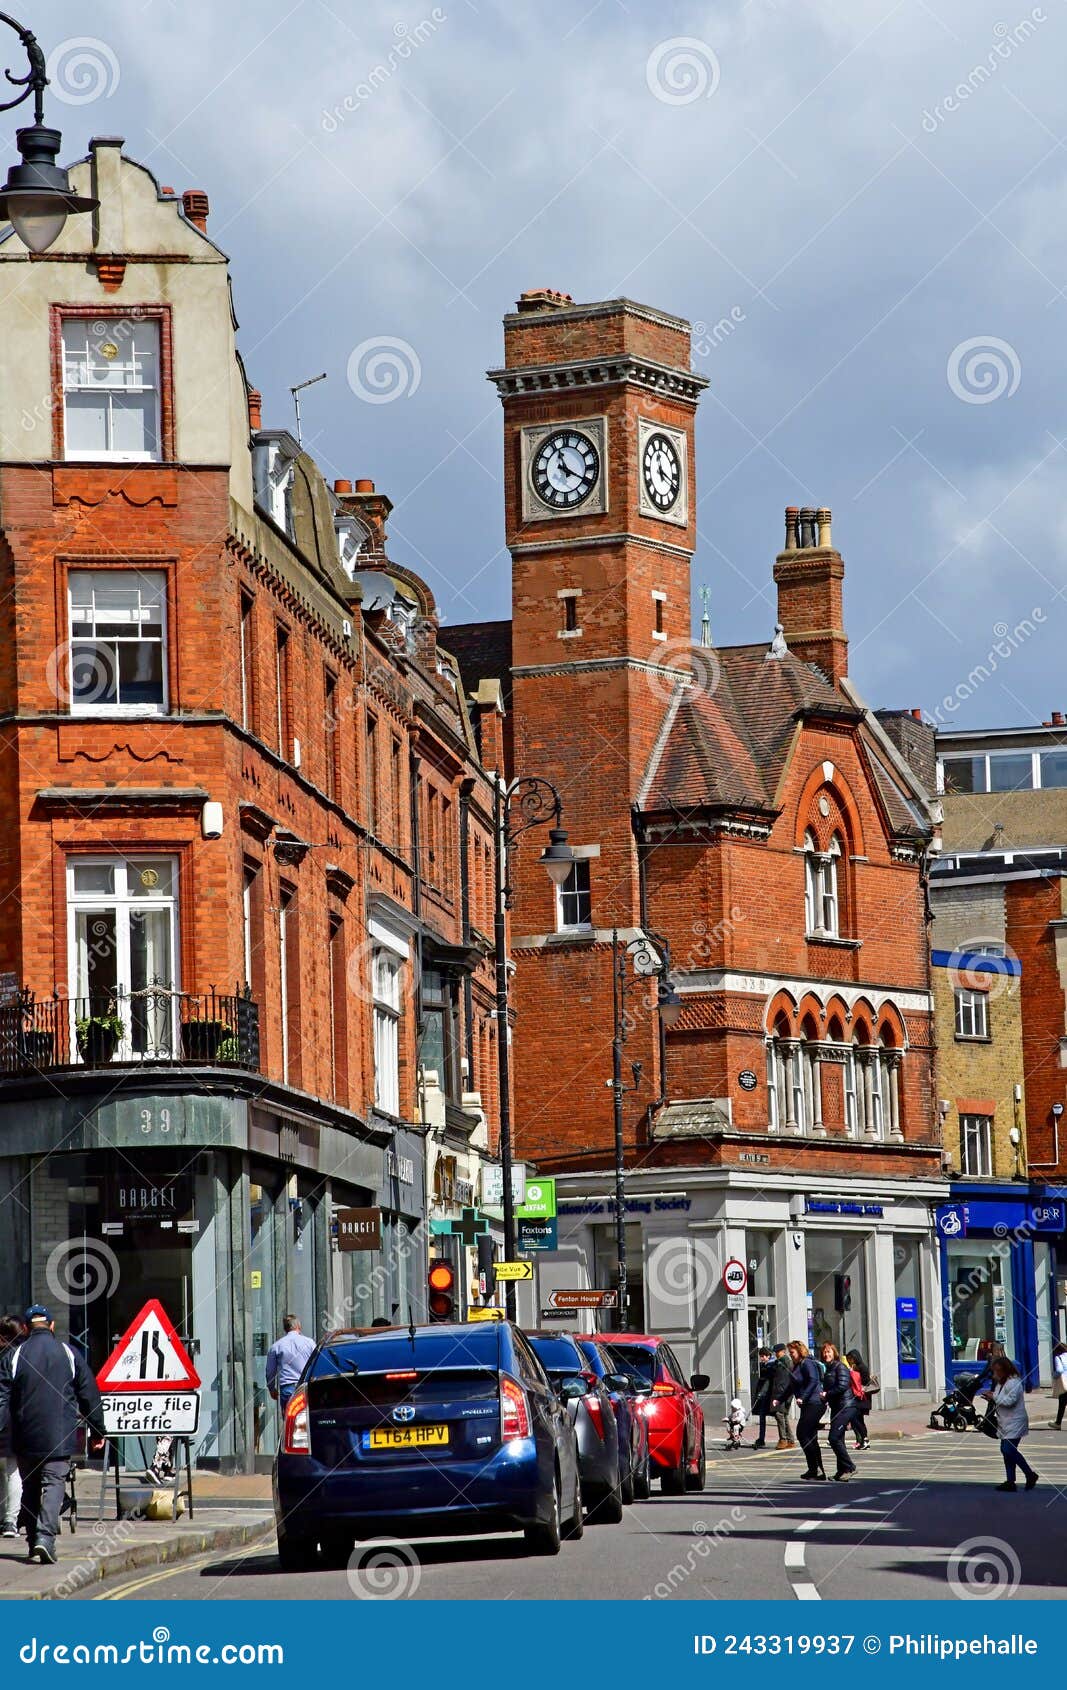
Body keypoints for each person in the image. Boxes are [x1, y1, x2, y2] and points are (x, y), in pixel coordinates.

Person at [0, 1305, 104, 1565]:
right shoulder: (69, 1353)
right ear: (52, 1325)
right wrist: (98, 1430)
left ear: (25, 1328)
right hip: (59, 1435)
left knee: (30, 1487)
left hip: (25, 1436)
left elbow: (2, 1400)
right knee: (54, 1483)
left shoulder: (13, 1356)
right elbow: (88, 1392)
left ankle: (34, 1537)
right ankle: (45, 1538)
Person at [984, 1356, 1038, 1492]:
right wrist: (991, 1396)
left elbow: (1010, 1401)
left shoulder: (1013, 1383)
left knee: (1009, 1450)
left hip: (1015, 1422)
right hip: (1005, 1422)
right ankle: (1010, 1481)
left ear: (1004, 1370)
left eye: (996, 1371)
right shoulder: (1001, 1383)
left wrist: (994, 1397)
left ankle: (1029, 1474)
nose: (994, 1375)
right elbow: (1000, 1399)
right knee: (1005, 1451)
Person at [0, 1315, 24, 1539]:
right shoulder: (23, 1355)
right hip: (19, 1420)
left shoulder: (6, 1357)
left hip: (5, 1420)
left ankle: (8, 1519)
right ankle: (11, 1519)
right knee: (12, 1471)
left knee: (9, 1472)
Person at [820, 1342, 859, 1481]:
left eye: (829, 1351)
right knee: (839, 1439)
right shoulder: (828, 1369)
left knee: (833, 1438)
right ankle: (841, 1472)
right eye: (824, 1352)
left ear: (834, 1352)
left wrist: (827, 1394)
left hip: (846, 1406)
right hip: (837, 1407)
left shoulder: (839, 1366)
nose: (826, 1354)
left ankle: (850, 1467)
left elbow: (842, 1386)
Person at [788, 1339, 825, 1479]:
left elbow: (813, 1380)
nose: (791, 1355)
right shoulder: (796, 1366)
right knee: (811, 1437)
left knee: (802, 1434)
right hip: (807, 1404)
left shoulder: (807, 1362)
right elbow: (791, 1386)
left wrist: (803, 1397)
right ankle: (817, 1471)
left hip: (815, 1403)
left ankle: (814, 1468)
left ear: (799, 1351)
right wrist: (779, 1398)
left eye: (792, 1352)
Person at [265, 1315, 316, 1414]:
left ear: (285, 1328)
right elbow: (317, 1363)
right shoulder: (309, 1343)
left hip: (287, 1389)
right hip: (306, 1387)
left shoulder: (276, 1346)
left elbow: (270, 1371)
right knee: (306, 1419)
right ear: (298, 1326)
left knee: (290, 1422)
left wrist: (271, 1388)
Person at [846, 1349, 877, 1450]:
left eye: (850, 1359)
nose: (849, 1361)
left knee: (857, 1420)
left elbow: (864, 1382)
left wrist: (852, 1373)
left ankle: (865, 1440)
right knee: (858, 1420)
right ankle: (862, 1441)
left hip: (862, 1398)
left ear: (855, 1357)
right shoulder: (857, 1367)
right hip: (859, 1397)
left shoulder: (861, 1368)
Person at [769, 1343, 796, 1450]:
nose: (776, 1354)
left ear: (782, 1351)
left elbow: (787, 1381)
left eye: (777, 1352)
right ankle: (790, 1440)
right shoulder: (780, 1362)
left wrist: (786, 1395)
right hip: (781, 1393)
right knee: (783, 1415)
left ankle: (783, 1439)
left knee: (779, 1415)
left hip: (783, 1394)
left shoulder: (786, 1363)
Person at [751, 1349, 774, 1448]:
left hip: (767, 1395)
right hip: (765, 1394)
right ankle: (761, 1438)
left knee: (779, 1417)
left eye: (763, 1356)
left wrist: (762, 1392)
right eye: (761, 1356)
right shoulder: (764, 1365)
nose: (762, 1358)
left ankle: (762, 1438)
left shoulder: (770, 1366)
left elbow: (767, 1381)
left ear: (768, 1356)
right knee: (762, 1417)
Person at [1048, 1341, 1067, 1429]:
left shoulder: (1058, 1358)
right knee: (1062, 1399)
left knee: (1062, 1399)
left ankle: (1058, 1423)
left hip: (1065, 1383)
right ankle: (1058, 1422)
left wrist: (1054, 1375)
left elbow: (1059, 1370)